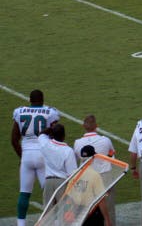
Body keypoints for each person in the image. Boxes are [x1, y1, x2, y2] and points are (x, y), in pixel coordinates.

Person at [12, 89, 60, 226]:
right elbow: (56, 134)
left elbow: (14, 139)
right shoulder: (50, 112)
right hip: (43, 155)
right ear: (43, 99)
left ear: (29, 100)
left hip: (26, 154)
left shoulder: (20, 112)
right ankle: (55, 222)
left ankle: (21, 224)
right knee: (50, 192)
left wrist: (22, 157)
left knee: (24, 192)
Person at [73, 115, 116, 222]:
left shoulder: (77, 143)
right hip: (104, 176)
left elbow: (75, 159)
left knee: (85, 209)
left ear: (83, 126)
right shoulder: (106, 140)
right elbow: (112, 155)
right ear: (96, 126)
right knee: (108, 209)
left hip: (87, 178)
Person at [72, 145, 115, 226]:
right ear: (93, 157)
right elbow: (101, 200)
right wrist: (107, 219)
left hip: (77, 212)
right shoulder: (95, 175)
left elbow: (69, 196)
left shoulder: (74, 174)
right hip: (92, 213)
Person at [38, 123, 78, 205]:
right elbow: (72, 174)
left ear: (52, 134)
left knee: (47, 213)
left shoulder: (45, 144)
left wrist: (51, 128)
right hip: (62, 183)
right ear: (64, 136)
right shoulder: (68, 151)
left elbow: (41, 134)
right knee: (62, 212)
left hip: (48, 182)